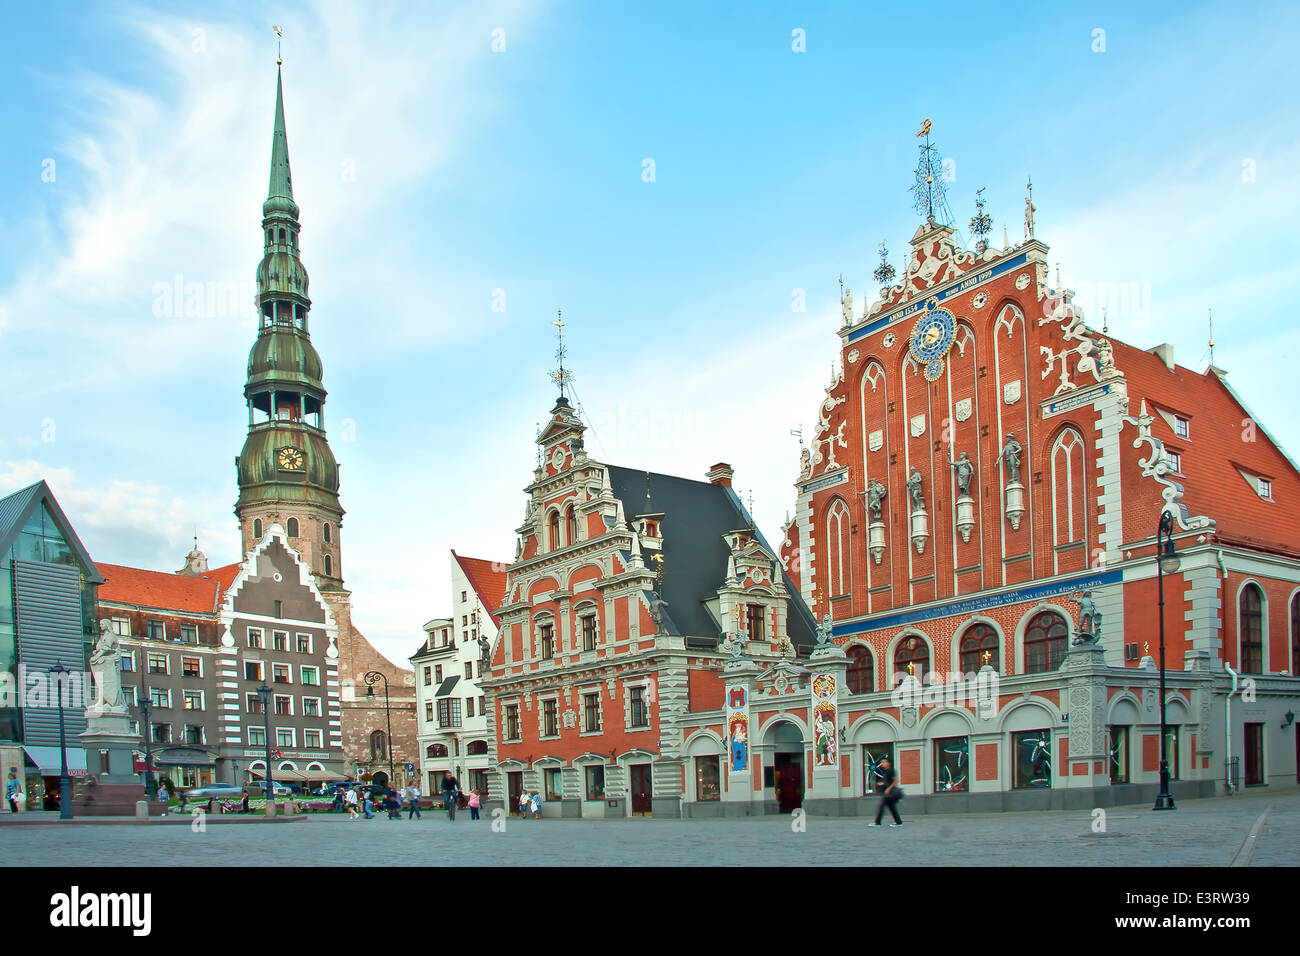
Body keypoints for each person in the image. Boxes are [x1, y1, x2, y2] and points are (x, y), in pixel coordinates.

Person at [867, 757, 903, 828]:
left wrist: (888, 789)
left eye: (884, 762)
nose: (882, 764)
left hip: (889, 793)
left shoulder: (891, 770)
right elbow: (887, 782)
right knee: (892, 808)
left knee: (881, 807)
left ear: (888, 763)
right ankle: (898, 822)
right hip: (887, 794)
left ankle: (877, 822)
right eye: (882, 762)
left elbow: (895, 781)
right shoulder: (885, 771)